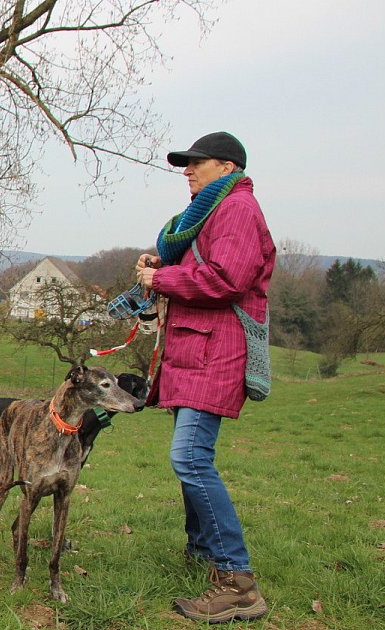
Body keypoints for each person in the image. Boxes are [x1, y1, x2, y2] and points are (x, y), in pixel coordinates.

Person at [135, 131, 275, 623]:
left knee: (190, 458)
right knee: (191, 455)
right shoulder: (209, 212)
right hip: (196, 351)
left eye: (197, 163)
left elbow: (227, 279)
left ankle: (237, 581)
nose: (188, 171)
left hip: (217, 351)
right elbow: (204, 264)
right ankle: (202, 555)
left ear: (227, 165)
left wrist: (162, 280)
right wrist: (161, 264)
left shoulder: (237, 209)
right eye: (185, 164)